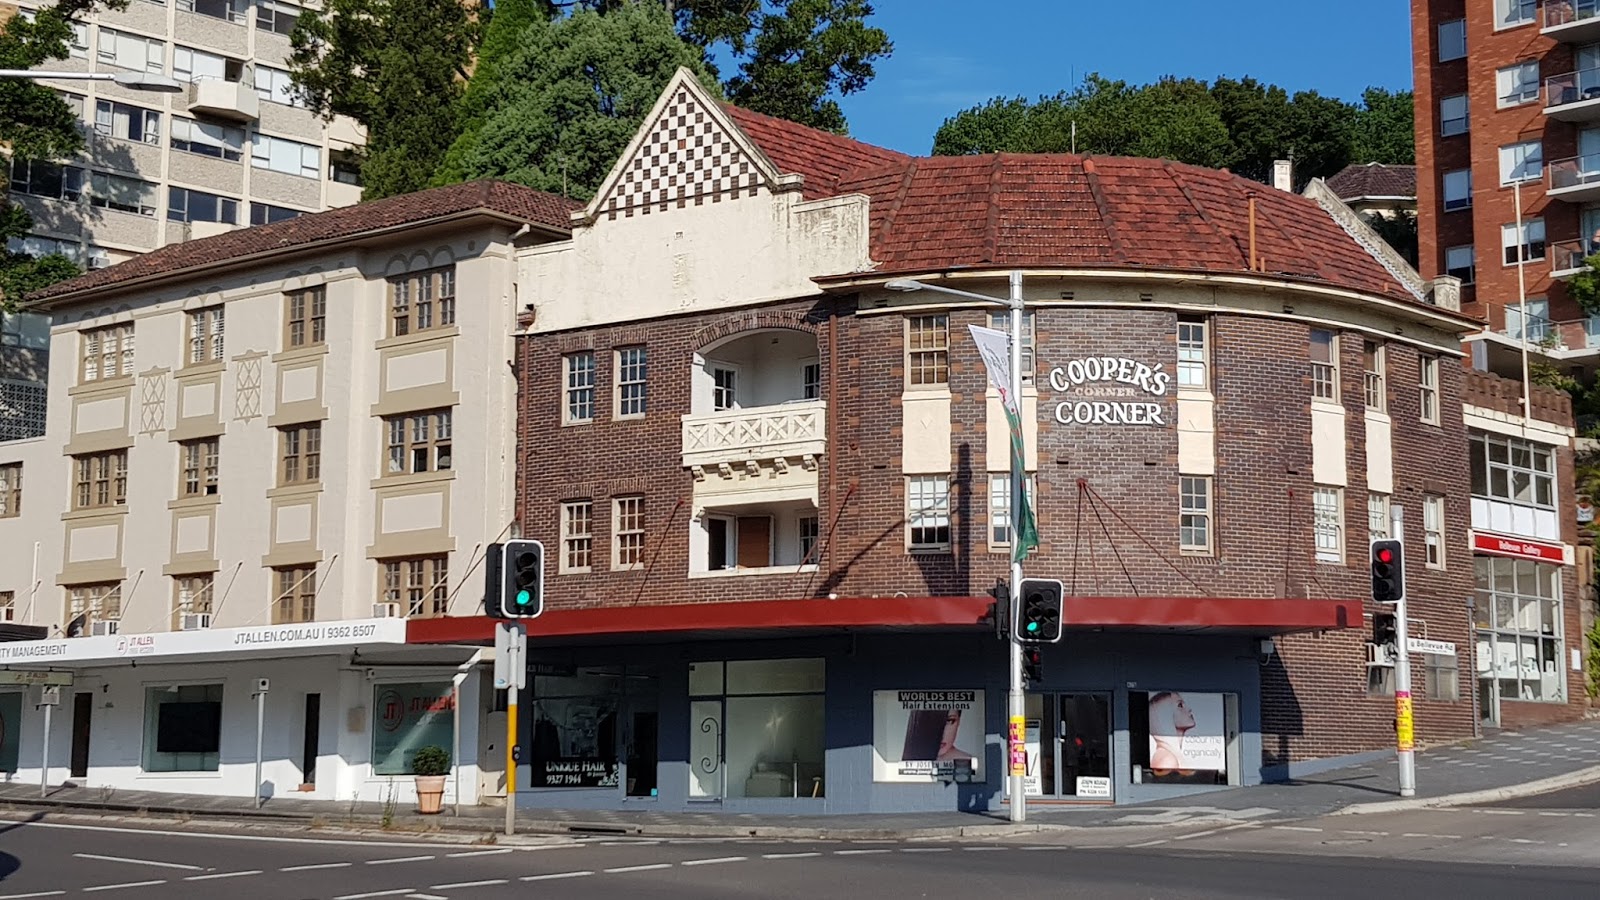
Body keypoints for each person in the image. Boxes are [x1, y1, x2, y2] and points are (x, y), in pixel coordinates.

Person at [1147, 691, 1197, 771]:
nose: (1189, 709)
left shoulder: (1169, 755)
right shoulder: (1167, 760)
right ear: (1165, 714)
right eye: (1180, 705)